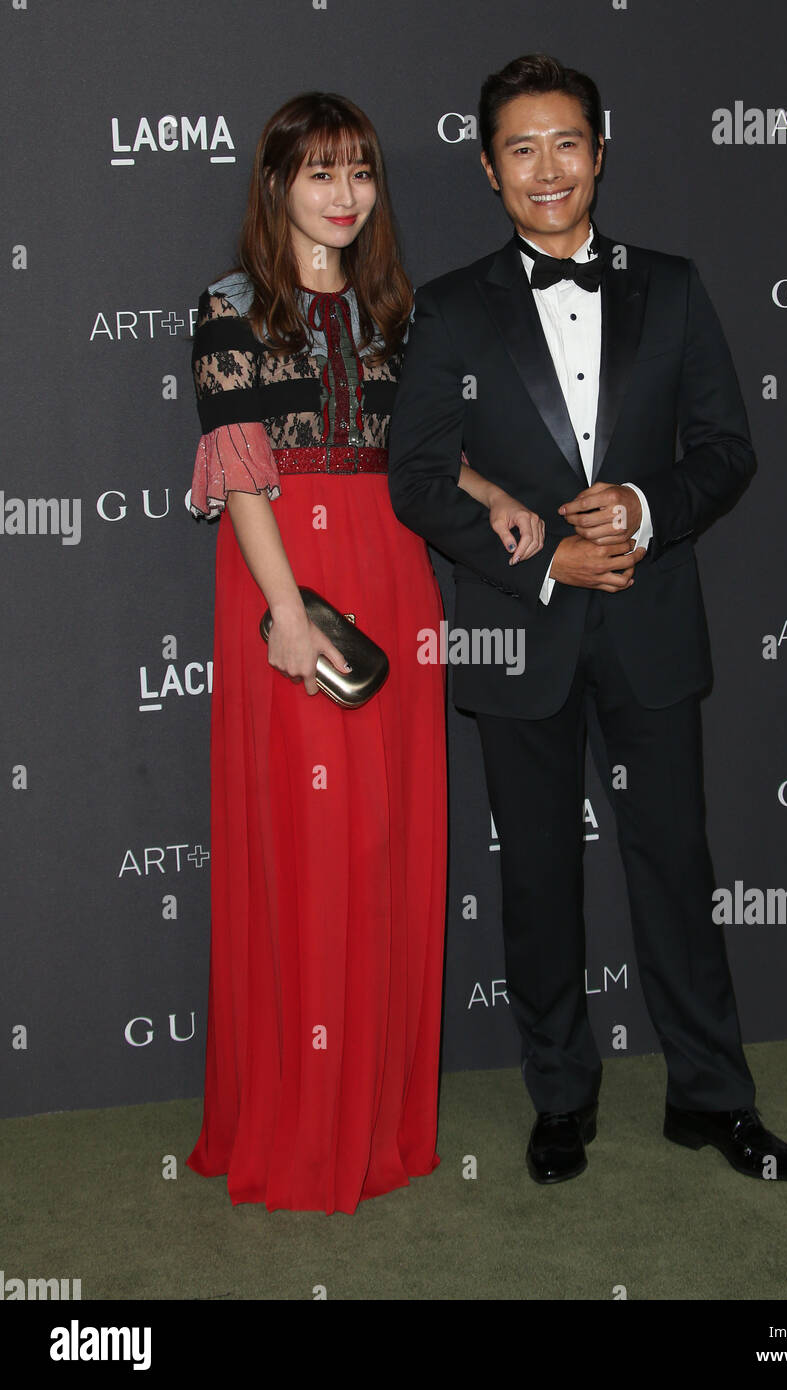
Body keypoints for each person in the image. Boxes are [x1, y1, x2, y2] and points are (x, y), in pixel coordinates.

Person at [389, 55, 787, 1185]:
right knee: (536, 880)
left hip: (649, 625)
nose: (546, 169)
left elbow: (726, 451)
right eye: (520, 148)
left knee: (673, 866)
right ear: (487, 168)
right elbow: (419, 479)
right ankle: (559, 1100)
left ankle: (711, 1099)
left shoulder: (669, 287)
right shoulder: (446, 307)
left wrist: (637, 506)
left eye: (566, 143)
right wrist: (546, 564)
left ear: (599, 150)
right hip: (517, 635)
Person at [185, 92, 543, 1214]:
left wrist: (491, 497)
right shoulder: (230, 307)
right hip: (287, 581)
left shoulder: (397, 312)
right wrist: (287, 614)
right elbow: (242, 471)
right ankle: (296, 1121)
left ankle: (377, 1119)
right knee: (304, 843)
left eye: (360, 173)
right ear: (277, 185)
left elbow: (412, 453)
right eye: (318, 173)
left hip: (391, 579)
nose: (343, 196)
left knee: (384, 841)